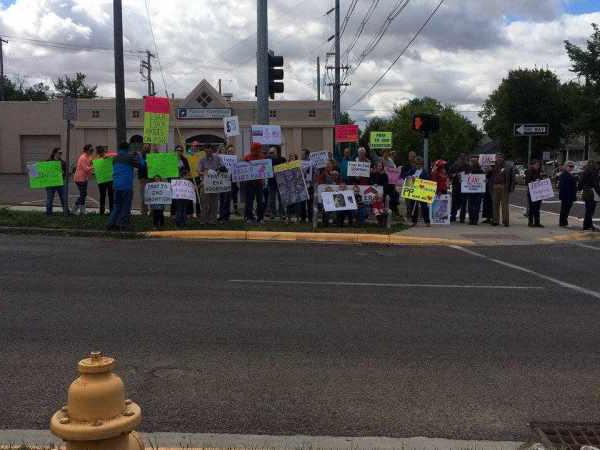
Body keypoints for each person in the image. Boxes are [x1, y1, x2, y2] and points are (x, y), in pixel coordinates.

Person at [107, 142, 145, 231]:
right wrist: (139, 156)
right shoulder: (130, 157)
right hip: (126, 186)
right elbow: (142, 165)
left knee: (117, 206)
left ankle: (110, 223)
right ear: (127, 149)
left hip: (116, 185)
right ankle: (123, 225)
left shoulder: (115, 158)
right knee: (126, 206)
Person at [198, 146, 224, 226]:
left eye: (210, 151)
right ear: (205, 151)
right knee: (204, 203)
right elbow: (198, 171)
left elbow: (223, 167)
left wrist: (219, 171)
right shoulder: (202, 160)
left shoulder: (218, 158)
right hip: (205, 184)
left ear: (212, 151)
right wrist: (205, 173)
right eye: (206, 152)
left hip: (214, 185)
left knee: (214, 203)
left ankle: (213, 221)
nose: (208, 153)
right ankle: (203, 221)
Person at [489, 153, 515, 227]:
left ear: (503, 158)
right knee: (495, 204)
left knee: (504, 205)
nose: (499, 158)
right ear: (495, 158)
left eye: (501, 157)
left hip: (504, 186)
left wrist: (511, 187)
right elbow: (488, 175)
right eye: (498, 157)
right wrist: (489, 170)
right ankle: (495, 220)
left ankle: (505, 221)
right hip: (494, 186)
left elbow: (512, 177)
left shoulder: (508, 166)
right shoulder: (492, 165)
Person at [244, 143, 266, 224]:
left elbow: (264, 169)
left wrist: (263, 179)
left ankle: (260, 218)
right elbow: (243, 169)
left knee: (260, 202)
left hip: (259, 183)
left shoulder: (262, 158)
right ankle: (249, 217)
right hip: (249, 183)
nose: (259, 150)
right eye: (258, 149)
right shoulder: (247, 157)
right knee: (249, 201)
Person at [45, 147, 68, 215]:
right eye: (59, 153)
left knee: (63, 198)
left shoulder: (63, 162)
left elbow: (65, 172)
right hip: (50, 183)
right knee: (50, 199)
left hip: (60, 183)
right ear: (55, 153)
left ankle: (66, 212)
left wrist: (63, 173)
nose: (61, 154)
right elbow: (44, 171)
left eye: (61, 153)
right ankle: (49, 213)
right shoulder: (48, 161)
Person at [578, 160, 600, 231]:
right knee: (590, 210)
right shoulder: (594, 172)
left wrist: (579, 188)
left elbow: (580, 183)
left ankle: (586, 225)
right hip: (592, 192)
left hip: (585, 192)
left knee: (588, 210)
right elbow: (595, 184)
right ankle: (588, 225)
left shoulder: (584, 172)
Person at [73, 144, 94, 215]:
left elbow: (90, 165)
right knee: (83, 194)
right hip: (79, 178)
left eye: (92, 150)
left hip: (84, 178)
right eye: (91, 150)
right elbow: (86, 168)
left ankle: (82, 210)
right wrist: (94, 166)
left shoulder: (89, 157)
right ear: (86, 150)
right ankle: (74, 209)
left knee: (83, 194)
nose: (92, 151)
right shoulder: (83, 158)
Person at [266, 146, 286, 219]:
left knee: (281, 199)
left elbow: (285, 168)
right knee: (272, 199)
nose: (270, 154)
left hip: (281, 181)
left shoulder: (282, 159)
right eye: (270, 152)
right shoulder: (267, 160)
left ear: (276, 152)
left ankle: (282, 214)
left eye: (272, 152)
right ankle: (273, 213)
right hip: (271, 182)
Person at [173, 145, 191, 228]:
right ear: (175, 151)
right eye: (177, 150)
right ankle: (178, 221)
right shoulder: (171, 160)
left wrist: (184, 173)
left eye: (180, 150)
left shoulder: (185, 160)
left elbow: (188, 170)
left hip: (184, 184)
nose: (179, 151)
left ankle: (184, 221)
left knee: (184, 204)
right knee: (178, 204)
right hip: (175, 184)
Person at [410, 157, 431, 227]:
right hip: (413, 190)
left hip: (422, 191)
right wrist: (410, 177)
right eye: (416, 164)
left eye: (419, 164)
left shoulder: (425, 172)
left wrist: (419, 180)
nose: (418, 165)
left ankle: (427, 221)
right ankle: (414, 221)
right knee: (413, 206)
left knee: (424, 206)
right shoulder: (413, 170)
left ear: (422, 164)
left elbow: (428, 179)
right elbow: (406, 176)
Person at [449, 153, 468, 223]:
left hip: (464, 187)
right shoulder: (454, 165)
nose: (462, 159)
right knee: (454, 202)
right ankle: (453, 216)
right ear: (459, 158)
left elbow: (470, 175)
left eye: (463, 158)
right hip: (456, 186)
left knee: (463, 203)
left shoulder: (467, 166)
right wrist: (453, 175)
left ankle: (462, 218)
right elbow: (450, 174)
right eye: (461, 158)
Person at [95, 146, 114, 216]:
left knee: (104, 196)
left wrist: (106, 156)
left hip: (104, 180)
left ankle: (102, 211)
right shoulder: (97, 159)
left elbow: (115, 155)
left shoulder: (107, 157)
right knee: (109, 196)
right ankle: (109, 211)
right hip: (107, 180)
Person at [558, 160, 577, 227]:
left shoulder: (569, 174)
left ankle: (563, 222)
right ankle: (563, 223)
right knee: (565, 210)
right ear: (566, 166)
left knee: (566, 210)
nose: (572, 168)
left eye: (572, 166)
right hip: (566, 195)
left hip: (569, 195)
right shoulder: (564, 174)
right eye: (570, 166)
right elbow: (563, 186)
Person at [466, 155, 484, 225]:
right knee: (475, 206)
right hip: (474, 190)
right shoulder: (480, 171)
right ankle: (474, 220)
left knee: (473, 206)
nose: (472, 163)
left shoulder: (470, 170)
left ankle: (473, 220)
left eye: (473, 161)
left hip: (474, 191)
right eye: (472, 161)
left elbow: (484, 180)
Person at [525, 159, 544, 228]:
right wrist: (534, 181)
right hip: (532, 192)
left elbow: (542, 180)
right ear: (533, 165)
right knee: (532, 208)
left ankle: (537, 222)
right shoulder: (529, 171)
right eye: (536, 165)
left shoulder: (539, 172)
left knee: (537, 208)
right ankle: (530, 222)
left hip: (538, 192)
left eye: (538, 165)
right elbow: (527, 182)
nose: (538, 166)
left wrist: (541, 180)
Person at [138, 144, 152, 215]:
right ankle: (144, 211)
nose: (147, 148)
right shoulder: (140, 156)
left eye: (148, 147)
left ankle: (153, 211)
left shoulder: (152, 156)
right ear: (143, 147)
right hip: (143, 178)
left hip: (151, 178)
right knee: (144, 196)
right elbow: (140, 165)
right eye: (145, 147)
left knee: (152, 195)